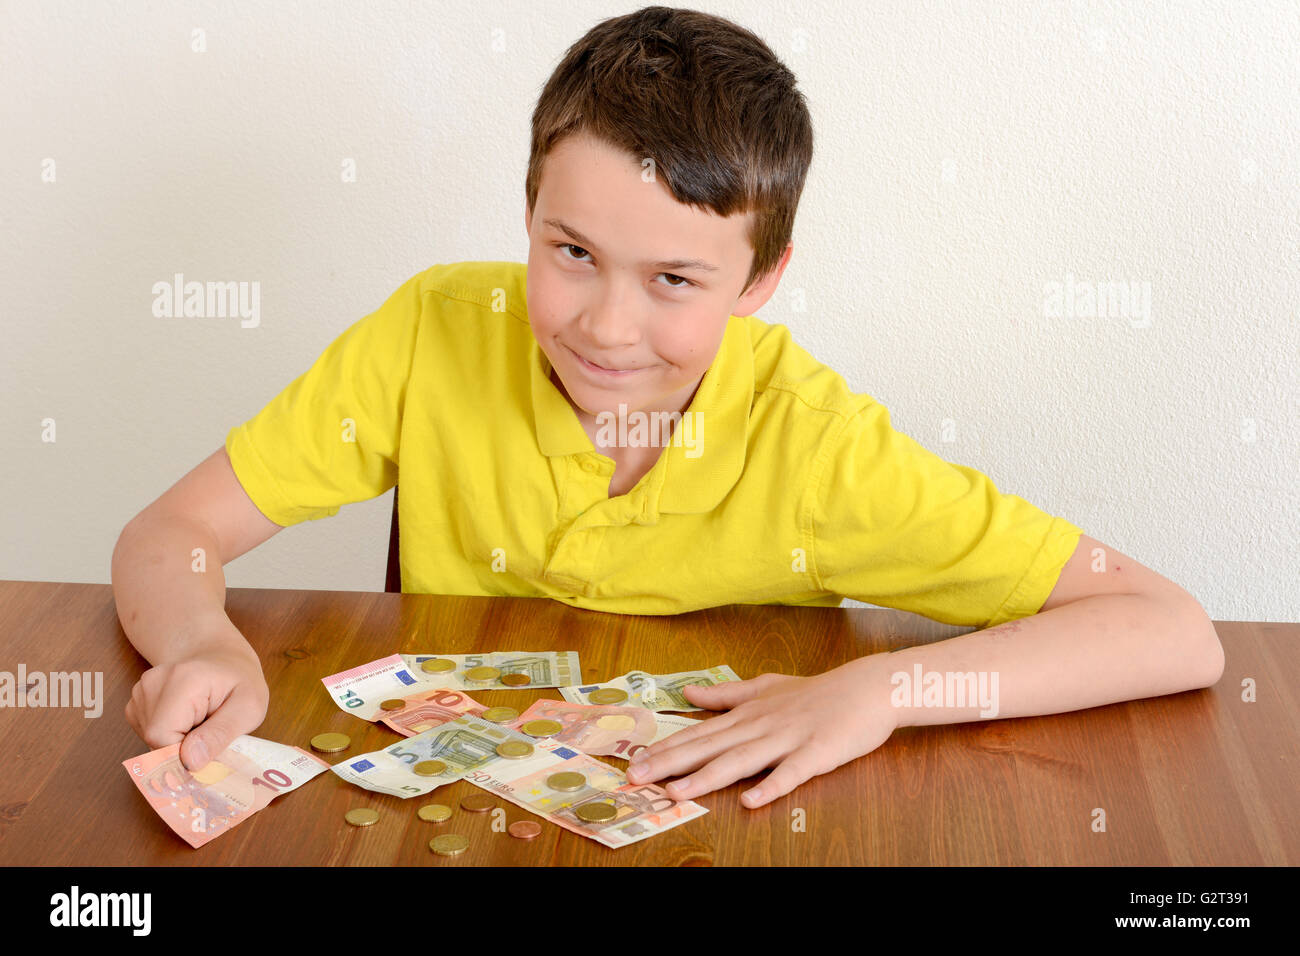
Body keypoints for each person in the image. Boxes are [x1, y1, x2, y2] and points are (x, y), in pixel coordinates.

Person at [112, 6, 1223, 811]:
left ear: (758, 282)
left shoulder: (817, 446)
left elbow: (1171, 629)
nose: (604, 324)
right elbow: (172, 534)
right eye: (573, 253)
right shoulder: (432, 330)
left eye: (674, 280)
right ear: (529, 214)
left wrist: (881, 689)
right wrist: (204, 636)